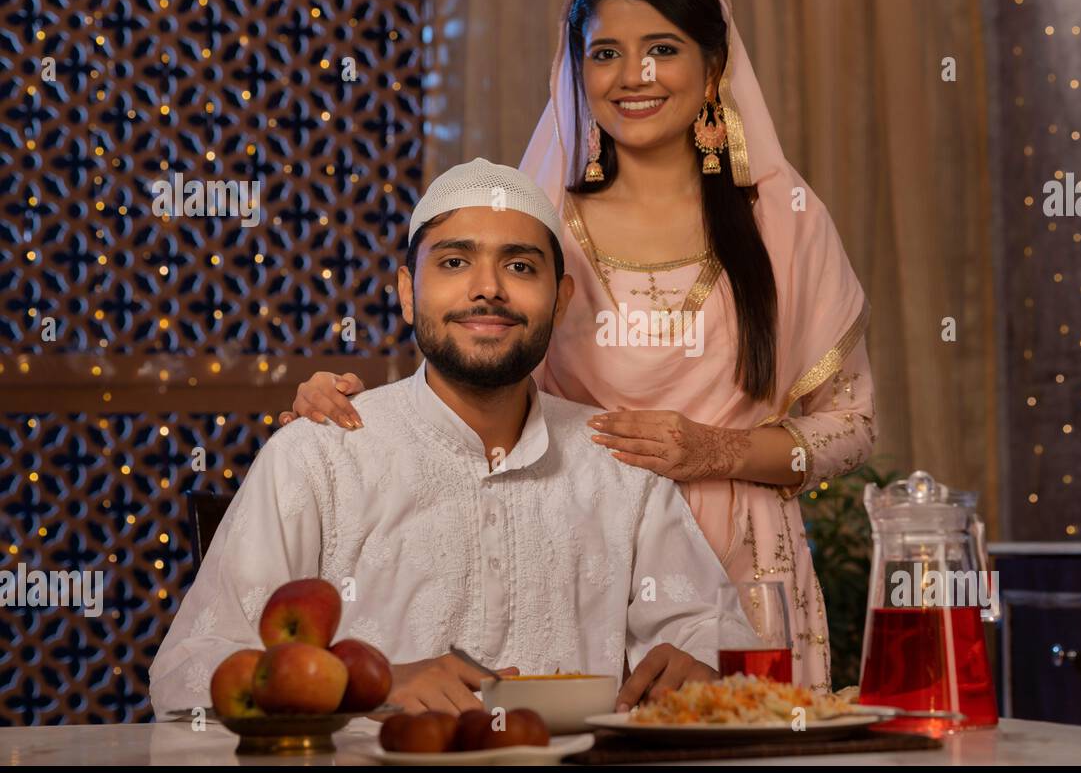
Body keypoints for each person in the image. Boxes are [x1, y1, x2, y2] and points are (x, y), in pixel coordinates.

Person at [283, 0, 875, 692]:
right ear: (577, 69)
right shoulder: (542, 223)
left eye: (662, 49)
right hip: (577, 554)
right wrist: (336, 406)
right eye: (606, 53)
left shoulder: (783, 220)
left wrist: (717, 451)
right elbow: (474, 372)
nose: (634, 77)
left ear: (714, 64)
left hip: (747, 560)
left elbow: (852, 426)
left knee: (733, 732)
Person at [149, 159, 759, 717]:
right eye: (454, 262)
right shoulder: (320, 454)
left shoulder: (619, 463)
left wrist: (702, 666)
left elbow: (717, 639)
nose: (487, 287)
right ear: (407, 294)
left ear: (561, 300)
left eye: (520, 266)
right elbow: (187, 676)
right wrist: (372, 683)